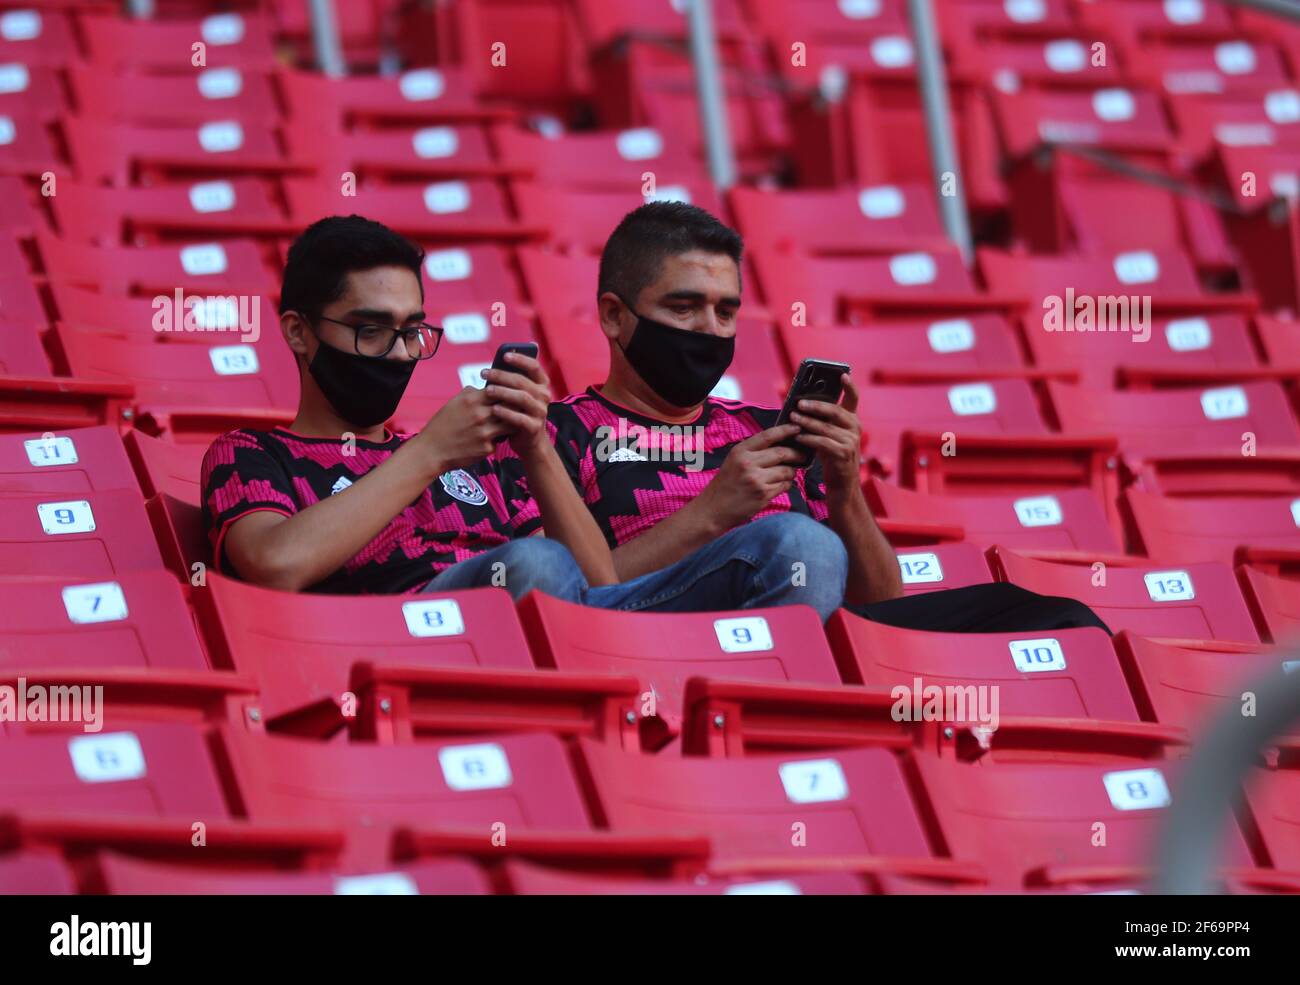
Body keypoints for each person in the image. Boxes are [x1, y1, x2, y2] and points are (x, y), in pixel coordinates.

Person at [200, 215, 847, 620]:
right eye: (371, 330)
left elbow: (598, 590)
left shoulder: (483, 462)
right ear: (298, 331)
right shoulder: (251, 454)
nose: (398, 353)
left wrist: (534, 445)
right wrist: (426, 453)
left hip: (561, 639)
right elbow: (276, 563)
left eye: (411, 331)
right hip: (395, 640)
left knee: (801, 546)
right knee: (535, 566)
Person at [515, 201, 1112, 635]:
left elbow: (880, 604)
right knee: (791, 540)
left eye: (727, 311)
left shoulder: (769, 429)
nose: (711, 329)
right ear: (615, 317)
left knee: (1057, 621)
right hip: (668, 635)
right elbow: (569, 598)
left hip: (826, 633)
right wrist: (712, 514)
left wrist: (847, 488)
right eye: (684, 306)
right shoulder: (558, 436)